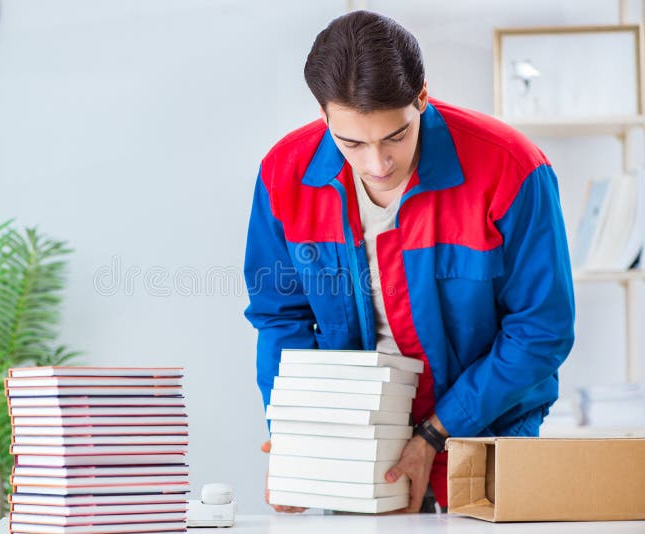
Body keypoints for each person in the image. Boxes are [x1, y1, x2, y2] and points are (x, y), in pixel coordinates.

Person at [243, 11, 575, 514]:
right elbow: (280, 318)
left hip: (487, 430)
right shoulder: (283, 176)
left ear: (422, 96)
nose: (377, 165)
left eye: (395, 136)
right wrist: (296, 433)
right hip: (357, 442)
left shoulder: (511, 167)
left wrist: (434, 435)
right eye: (351, 142)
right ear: (322, 113)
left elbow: (542, 329)